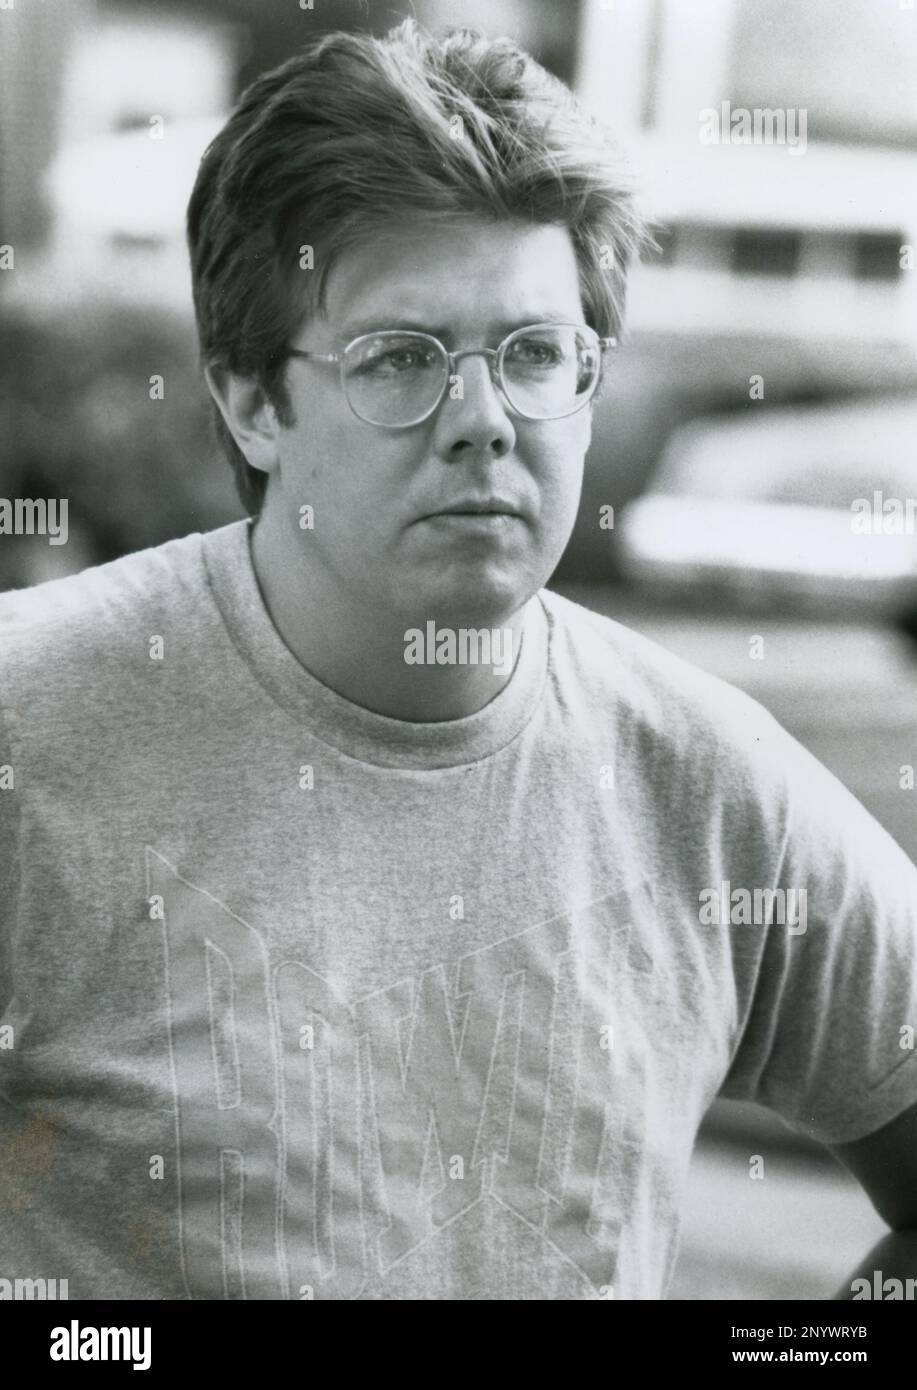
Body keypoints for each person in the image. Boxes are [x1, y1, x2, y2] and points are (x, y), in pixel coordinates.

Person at [1, 19, 915, 1303]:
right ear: (253, 403)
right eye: (402, 358)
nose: (484, 420)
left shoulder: (710, 784)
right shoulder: (29, 730)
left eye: (535, 354)